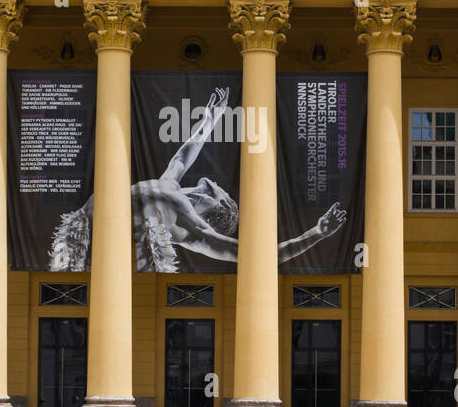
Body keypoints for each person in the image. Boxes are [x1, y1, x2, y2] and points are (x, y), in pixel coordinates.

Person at [51, 87, 347, 271]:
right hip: (83, 229)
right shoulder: (171, 185)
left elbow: (255, 257)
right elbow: (183, 156)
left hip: (105, 241)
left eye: (222, 191)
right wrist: (211, 120)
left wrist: (316, 234)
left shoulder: (190, 226)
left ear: (223, 205)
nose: (216, 183)